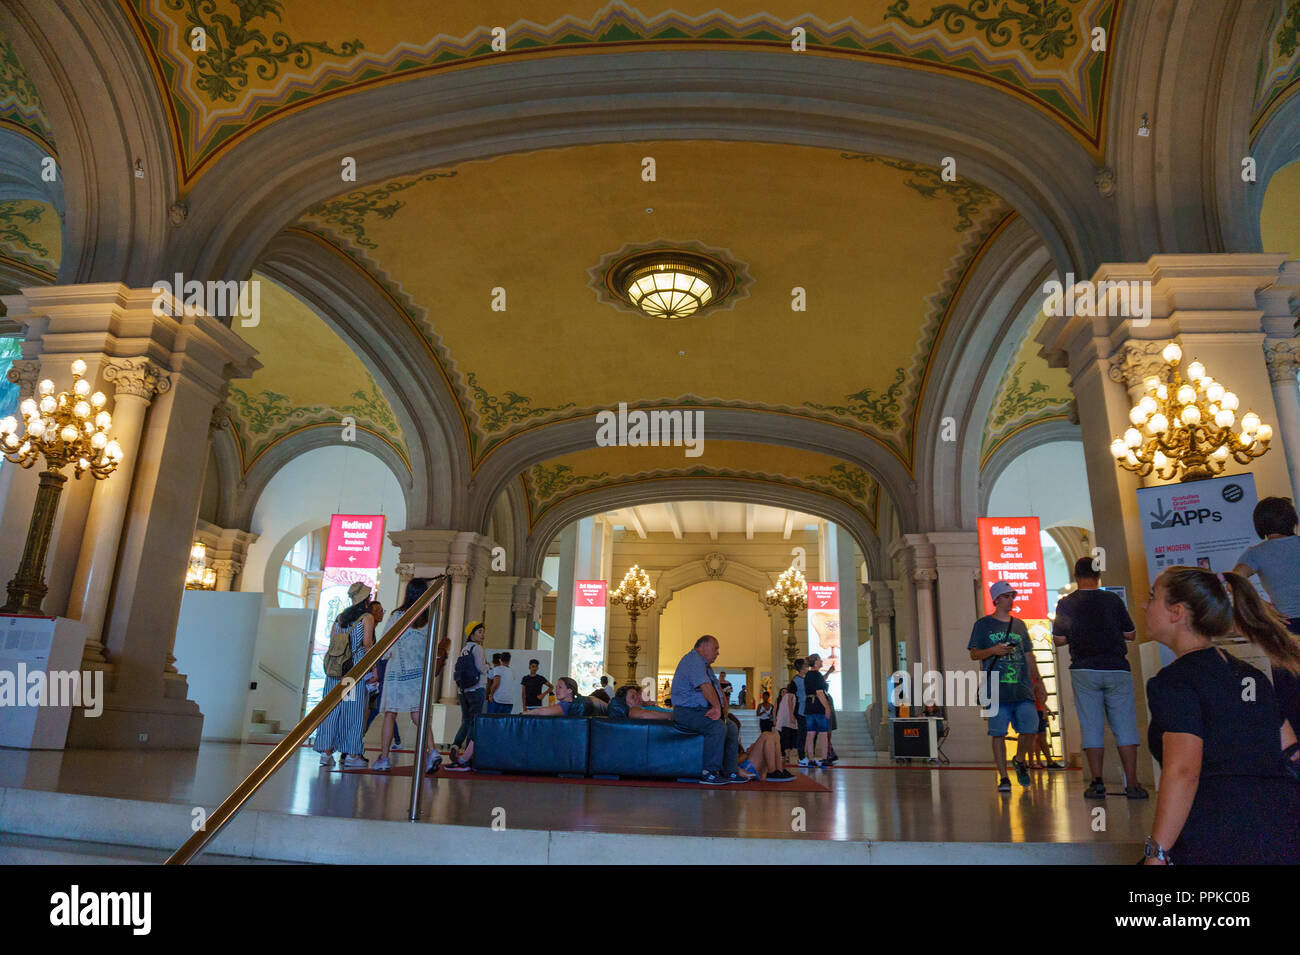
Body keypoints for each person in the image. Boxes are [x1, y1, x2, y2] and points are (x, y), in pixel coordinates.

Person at [1142, 567, 1300, 864]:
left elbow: (1183, 772)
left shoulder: (1175, 682)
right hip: (1281, 831)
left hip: (1219, 838)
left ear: (1176, 612)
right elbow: (1291, 752)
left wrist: (1156, 853)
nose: (1145, 605)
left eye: (1153, 597)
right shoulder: (1249, 675)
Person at [1052, 557, 1144, 798]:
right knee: (1124, 725)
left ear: (1075, 575)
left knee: (1091, 726)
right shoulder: (1112, 600)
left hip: (1084, 669)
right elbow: (1131, 633)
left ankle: (1097, 782)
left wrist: (1079, 635)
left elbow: (1059, 639)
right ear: (1098, 576)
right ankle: (1132, 784)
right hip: (1116, 667)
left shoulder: (1066, 603)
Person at [969, 580, 1044, 793]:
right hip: (997, 691)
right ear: (996, 599)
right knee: (998, 733)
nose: (1011, 600)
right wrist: (993, 650)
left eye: (1013, 596)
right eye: (1007, 596)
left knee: (1030, 728)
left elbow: (1029, 655)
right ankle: (1003, 776)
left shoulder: (1019, 625)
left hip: (1023, 688)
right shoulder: (983, 625)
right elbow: (974, 653)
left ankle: (1019, 759)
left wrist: (1038, 682)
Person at [1233, 496, 1300, 732]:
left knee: (1291, 697)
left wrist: (1263, 606)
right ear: (1291, 519)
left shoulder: (1256, 553)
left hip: (1286, 628)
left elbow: (1233, 582)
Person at [371, 579, 440, 774]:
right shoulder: (429, 618)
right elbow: (432, 647)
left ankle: (384, 758)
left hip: (396, 673)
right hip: (419, 674)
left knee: (389, 715)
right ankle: (432, 751)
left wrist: (380, 663)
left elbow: (385, 645)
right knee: (419, 715)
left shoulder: (397, 616)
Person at [671, 635, 748, 785]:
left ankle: (730, 771)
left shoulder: (705, 665)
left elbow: (717, 688)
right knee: (717, 726)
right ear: (703, 647)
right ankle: (708, 772)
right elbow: (705, 686)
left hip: (699, 711)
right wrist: (716, 708)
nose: (718, 652)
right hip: (686, 712)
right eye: (716, 648)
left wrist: (723, 710)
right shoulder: (693, 661)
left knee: (731, 727)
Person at [315, 582, 376, 769]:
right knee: (353, 712)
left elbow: (333, 640)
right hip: (353, 672)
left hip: (334, 672)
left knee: (331, 711)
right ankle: (351, 754)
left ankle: (326, 753)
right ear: (366, 599)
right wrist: (373, 670)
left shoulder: (340, 618)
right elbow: (367, 644)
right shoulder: (367, 618)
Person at [363, 600, 402, 749]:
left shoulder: (376, 631)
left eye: (382, 611)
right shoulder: (370, 629)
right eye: (377, 611)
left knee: (381, 709)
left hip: (379, 674)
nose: (381, 614)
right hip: (374, 675)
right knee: (381, 709)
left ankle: (359, 738)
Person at [450, 621, 488, 754]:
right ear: (472, 634)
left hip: (463, 690)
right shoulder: (478, 648)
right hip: (476, 689)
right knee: (474, 721)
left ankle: (455, 745)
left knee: (466, 720)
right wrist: (488, 667)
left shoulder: (465, 649)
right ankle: (468, 753)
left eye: (483, 632)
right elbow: (480, 668)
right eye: (479, 632)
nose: (483, 634)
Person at [802, 653, 832, 768]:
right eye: (820, 660)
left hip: (809, 706)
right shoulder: (817, 675)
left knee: (810, 733)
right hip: (819, 707)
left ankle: (810, 759)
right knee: (823, 734)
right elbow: (820, 693)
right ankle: (824, 759)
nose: (821, 661)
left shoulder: (808, 675)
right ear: (815, 662)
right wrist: (827, 708)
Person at [788, 658, 809, 761]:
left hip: (810, 709)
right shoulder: (795, 681)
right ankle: (801, 757)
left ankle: (809, 755)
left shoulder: (808, 678)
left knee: (810, 733)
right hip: (801, 710)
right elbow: (790, 698)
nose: (808, 667)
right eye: (806, 665)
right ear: (801, 668)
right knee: (802, 734)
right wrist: (791, 714)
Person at [774, 686, 799, 764]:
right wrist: (775, 719)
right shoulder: (779, 700)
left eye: (786, 691)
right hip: (783, 721)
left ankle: (787, 754)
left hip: (791, 722)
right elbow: (774, 710)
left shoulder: (793, 698)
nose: (785, 693)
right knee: (784, 738)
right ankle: (784, 755)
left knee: (790, 738)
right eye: (783, 692)